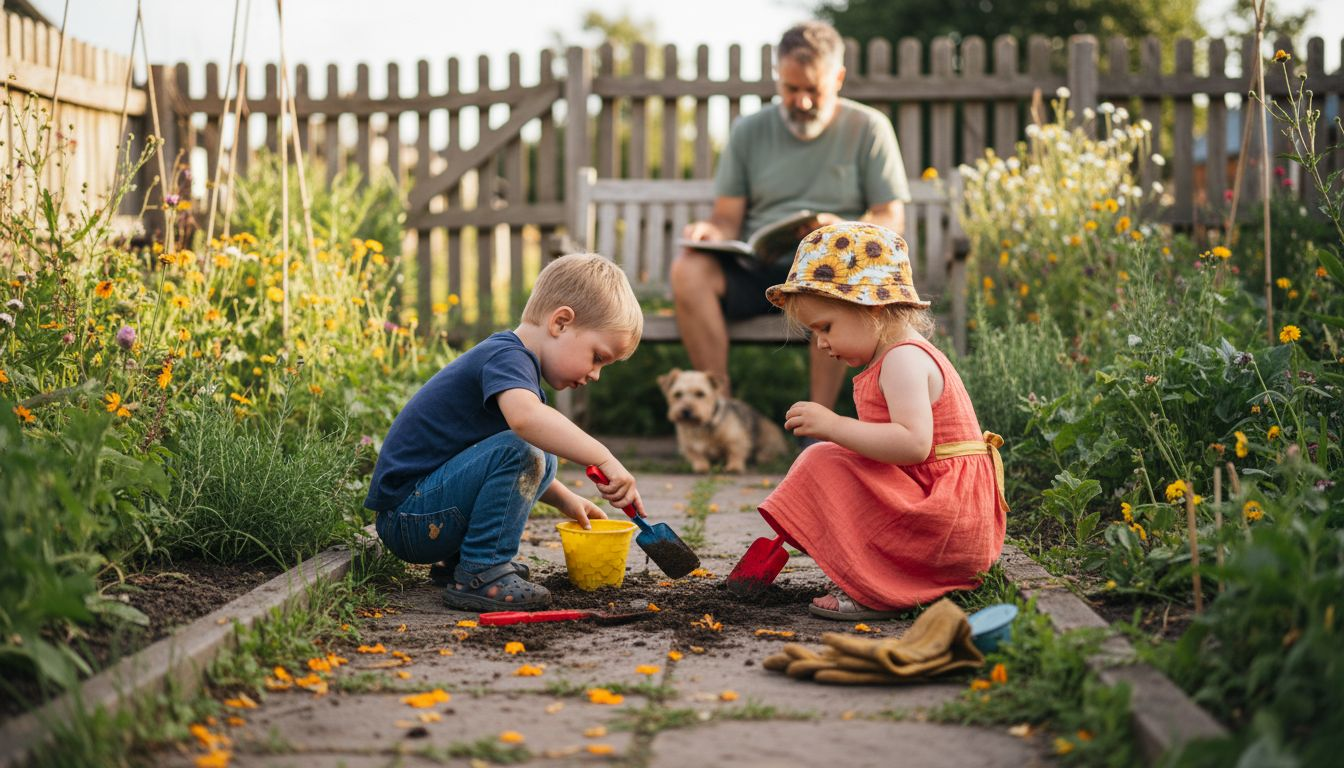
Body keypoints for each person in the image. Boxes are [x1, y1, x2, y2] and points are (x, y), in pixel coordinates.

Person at [364, 253, 647, 611]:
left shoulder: (513, 366)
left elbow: (496, 456)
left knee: (539, 450)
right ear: (560, 322)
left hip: (421, 515)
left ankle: (462, 562)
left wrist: (565, 500)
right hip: (411, 519)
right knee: (526, 445)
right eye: (597, 357)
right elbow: (525, 425)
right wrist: (604, 458)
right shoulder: (506, 359)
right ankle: (483, 572)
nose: (595, 375)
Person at [755, 221, 1008, 619]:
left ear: (871, 308)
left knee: (824, 459)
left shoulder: (904, 359)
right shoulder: (892, 355)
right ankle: (872, 572)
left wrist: (834, 426)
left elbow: (912, 444)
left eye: (826, 327)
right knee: (831, 459)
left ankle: (876, 589)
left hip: (948, 523)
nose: (821, 343)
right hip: (941, 514)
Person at [671, 19, 910, 413]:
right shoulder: (748, 130)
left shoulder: (869, 128)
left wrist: (843, 230)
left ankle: (819, 422)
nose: (800, 101)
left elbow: (891, 218)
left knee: (833, 271)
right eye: (790, 88)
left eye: (812, 90)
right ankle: (722, 414)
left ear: (839, 78)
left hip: (830, 273)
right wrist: (711, 231)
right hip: (757, 269)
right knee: (688, 270)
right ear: (777, 77)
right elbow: (727, 218)